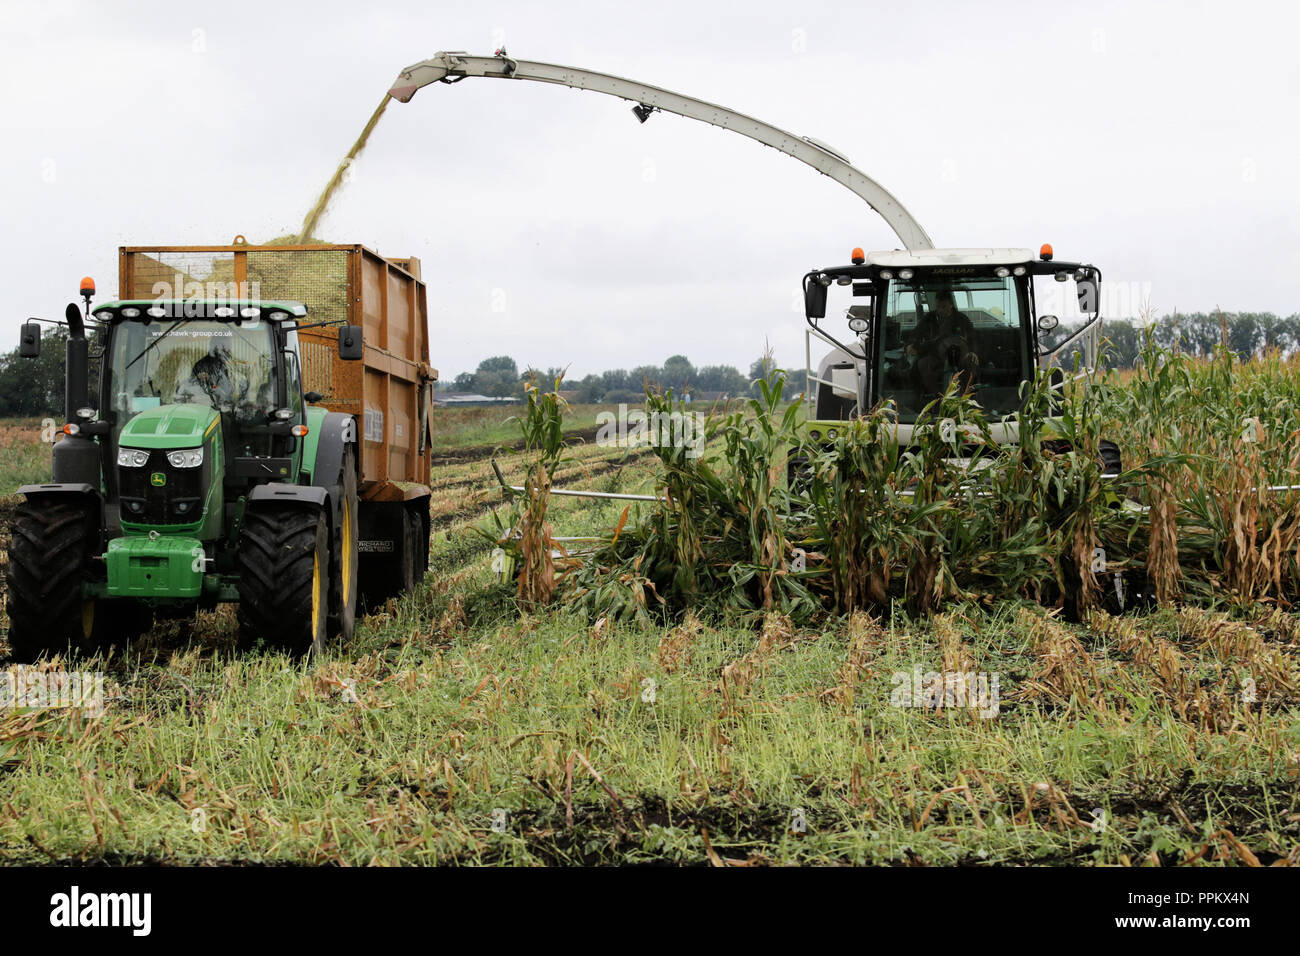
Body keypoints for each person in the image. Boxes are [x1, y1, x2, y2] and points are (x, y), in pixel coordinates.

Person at [906, 289, 980, 396]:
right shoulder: (929, 319)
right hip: (935, 355)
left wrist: (974, 352)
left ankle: (967, 395)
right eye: (938, 307)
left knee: (972, 362)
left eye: (943, 307)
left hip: (961, 356)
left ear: (951, 305)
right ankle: (939, 397)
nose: (940, 310)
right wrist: (910, 345)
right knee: (923, 364)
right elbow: (916, 334)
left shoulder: (962, 319)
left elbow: (973, 338)